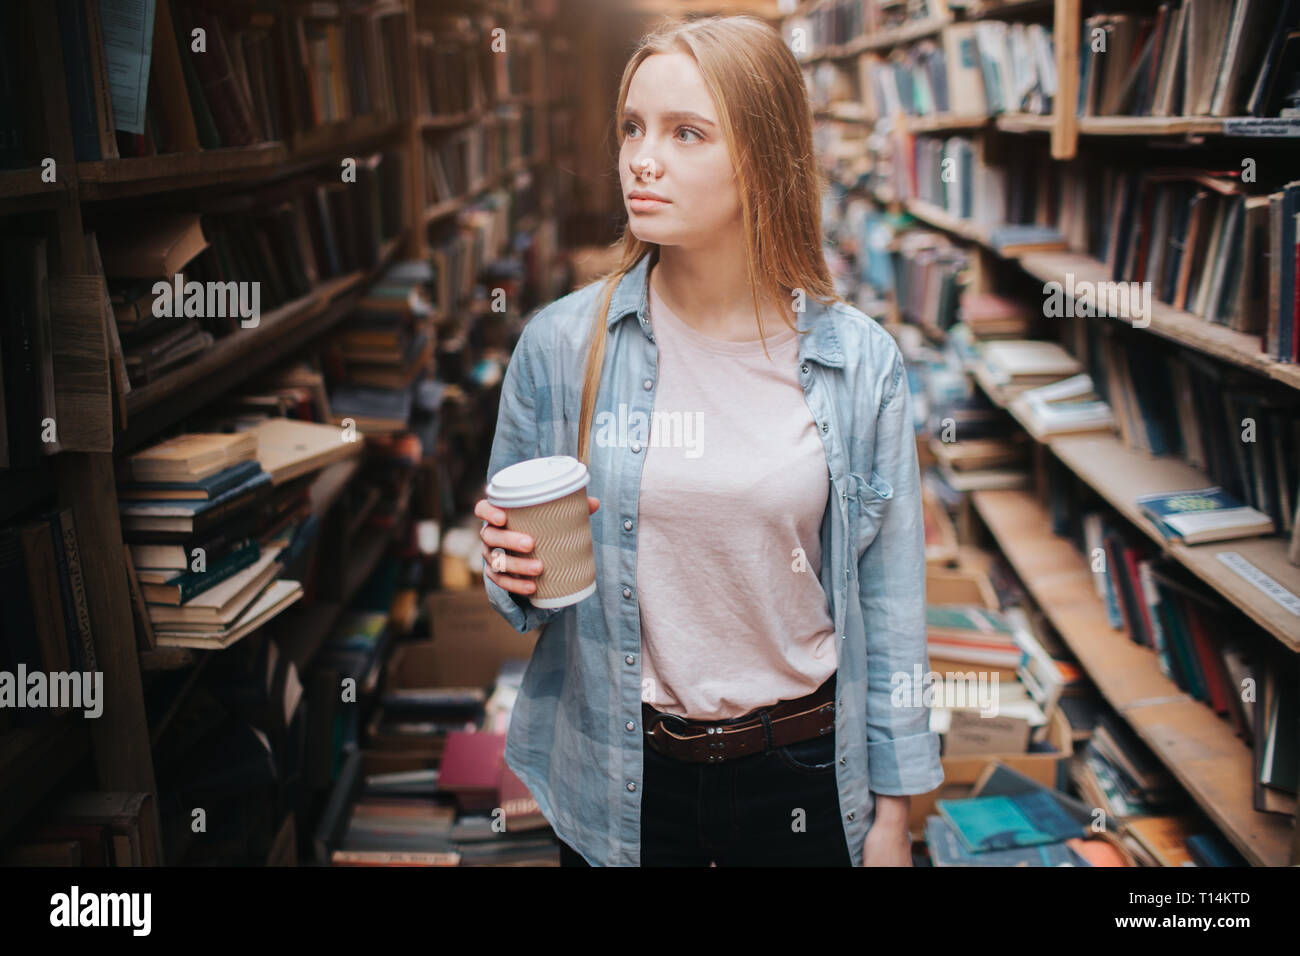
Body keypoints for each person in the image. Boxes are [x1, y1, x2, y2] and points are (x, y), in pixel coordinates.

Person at [475, 14, 941, 867]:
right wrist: (512, 570)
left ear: (763, 158)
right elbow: (523, 598)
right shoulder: (562, 346)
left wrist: (892, 817)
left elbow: (890, 604)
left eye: (685, 133)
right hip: (623, 778)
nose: (641, 160)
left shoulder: (858, 362)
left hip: (800, 774)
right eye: (632, 128)